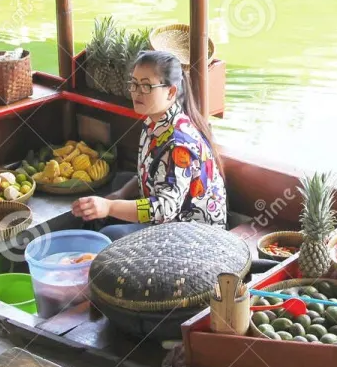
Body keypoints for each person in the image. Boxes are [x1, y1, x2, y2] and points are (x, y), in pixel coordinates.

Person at [72, 49, 226, 240]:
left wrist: (110, 207)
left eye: (146, 86)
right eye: (134, 84)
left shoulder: (179, 144)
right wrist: (119, 195)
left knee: (110, 235)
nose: (136, 93)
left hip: (192, 235)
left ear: (171, 92)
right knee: (119, 182)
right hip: (170, 213)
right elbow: (147, 173)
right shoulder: (153, 121)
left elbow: (164, 209)